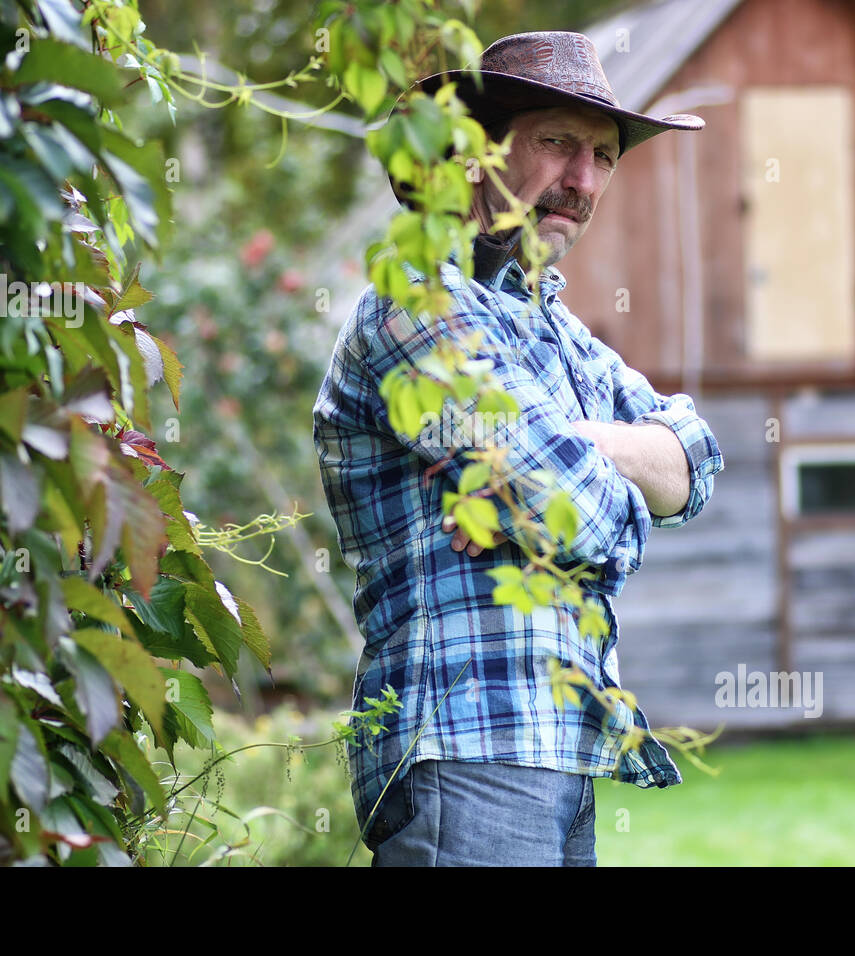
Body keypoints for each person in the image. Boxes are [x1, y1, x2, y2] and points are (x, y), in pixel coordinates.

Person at [312, 31, 724, 866]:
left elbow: (698, 461)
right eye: (557, 144)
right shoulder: (415, 304)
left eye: (603, 155)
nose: (582, 182)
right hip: (463, 751)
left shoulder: (551, 326)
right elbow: (573, 513)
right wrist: (614, 480)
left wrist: (573, 443)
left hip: (558, 748)